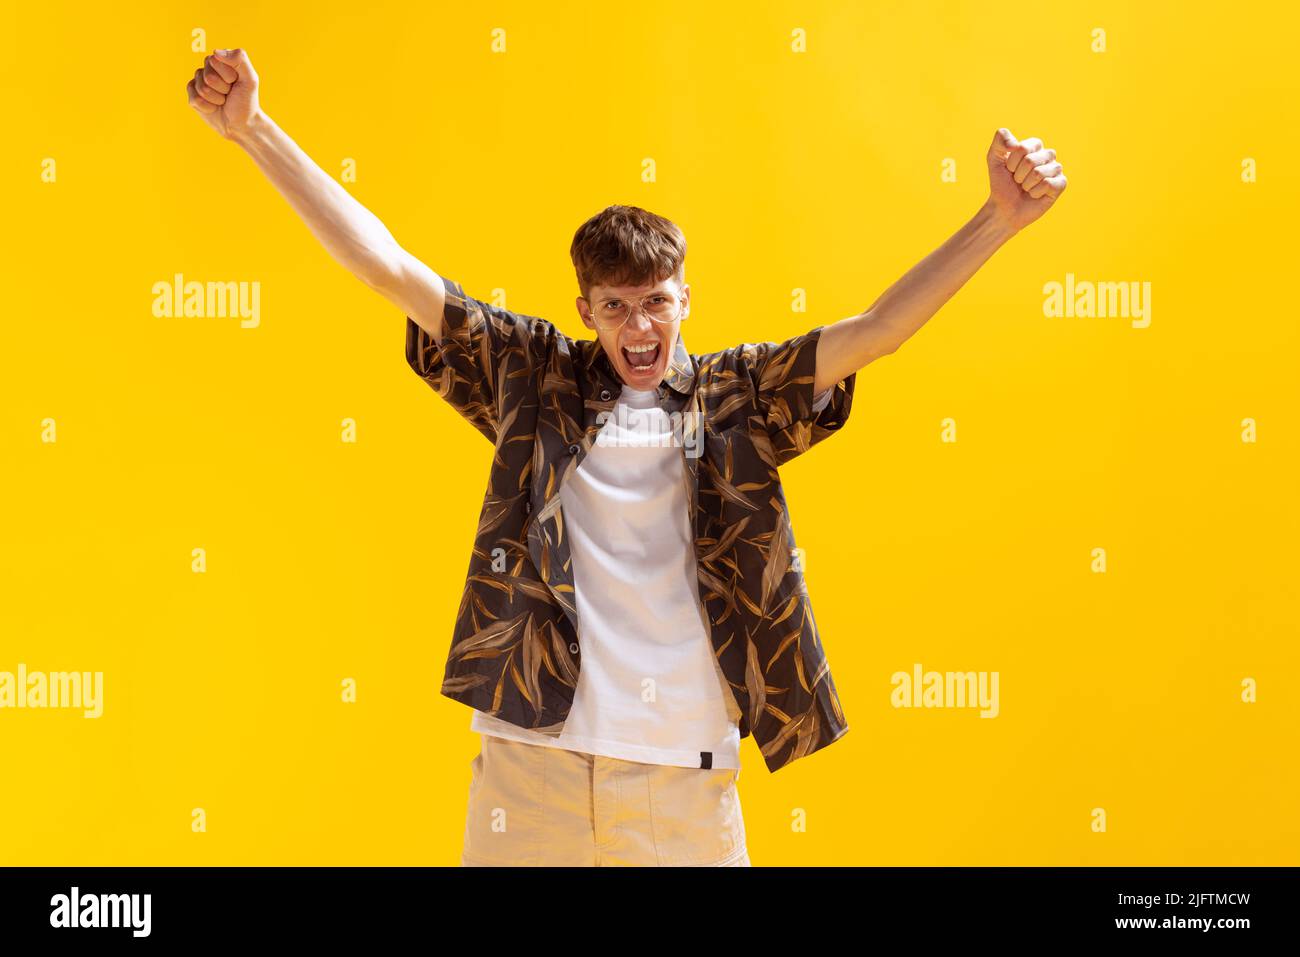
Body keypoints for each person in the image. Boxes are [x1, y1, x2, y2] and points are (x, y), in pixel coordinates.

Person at [186, 47, 1067, 867]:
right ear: (585, 308)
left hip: (681, 772)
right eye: (615, 307)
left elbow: (879, 331)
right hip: (532, 762)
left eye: (655, 303)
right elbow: (386, 267)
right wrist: (254, 131)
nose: (639, 327)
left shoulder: (739, 394)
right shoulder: (533, 376)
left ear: (685, 295)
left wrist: (999, 218)